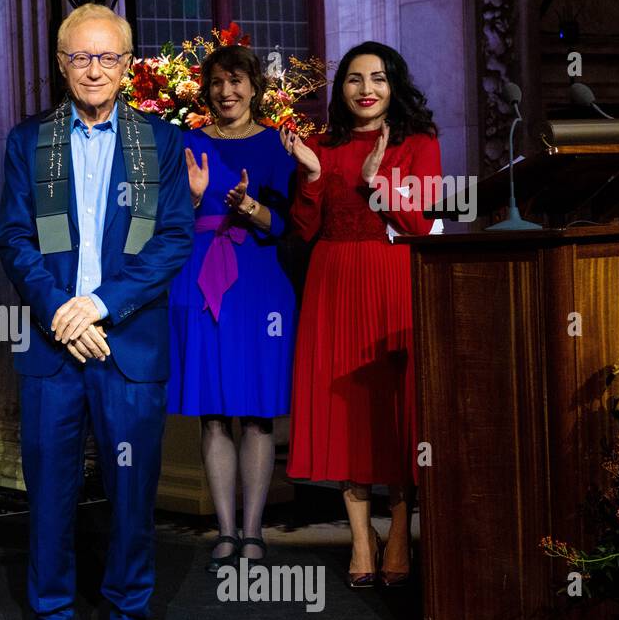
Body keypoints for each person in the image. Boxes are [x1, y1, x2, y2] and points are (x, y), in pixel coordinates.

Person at [0, 3, 195, 620]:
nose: (93, 70)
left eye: (107, 57)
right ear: (61, 64)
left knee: (132, 496)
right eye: (80, 57)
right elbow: (15, 238)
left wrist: (101, 309)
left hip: (128, 348)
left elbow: (172, 240)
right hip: (55, 351)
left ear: (127, 66)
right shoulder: (30, 141)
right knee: (49, 494)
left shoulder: (161, 145)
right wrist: (62, 314)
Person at [284, 41, 440, 588]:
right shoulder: (320, 145)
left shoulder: (418, 143)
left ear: (394, 85)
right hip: (333, 282)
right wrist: (309, 177)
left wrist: (381, 184)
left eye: (377, 78)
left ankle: (399, 532)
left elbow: (421, 227)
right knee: (347, 412)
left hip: (393, 279)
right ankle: (359, 538)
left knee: (394, 409)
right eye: (353, 79)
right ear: (341, 89)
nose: (365, 89)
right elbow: (303, 231)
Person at [168, 44, 296, 573]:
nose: (227, 91)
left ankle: (254, 530)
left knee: (258, 413)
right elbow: (165, 219)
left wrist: (250, 207)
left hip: (259, 285)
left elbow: (287, 225)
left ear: (253, 87)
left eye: (237, 81)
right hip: (199, 280)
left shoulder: (276, 145)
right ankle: (224, 529)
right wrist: (195, 200)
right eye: (218, 82)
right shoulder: (186, 143)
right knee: (214, 412)